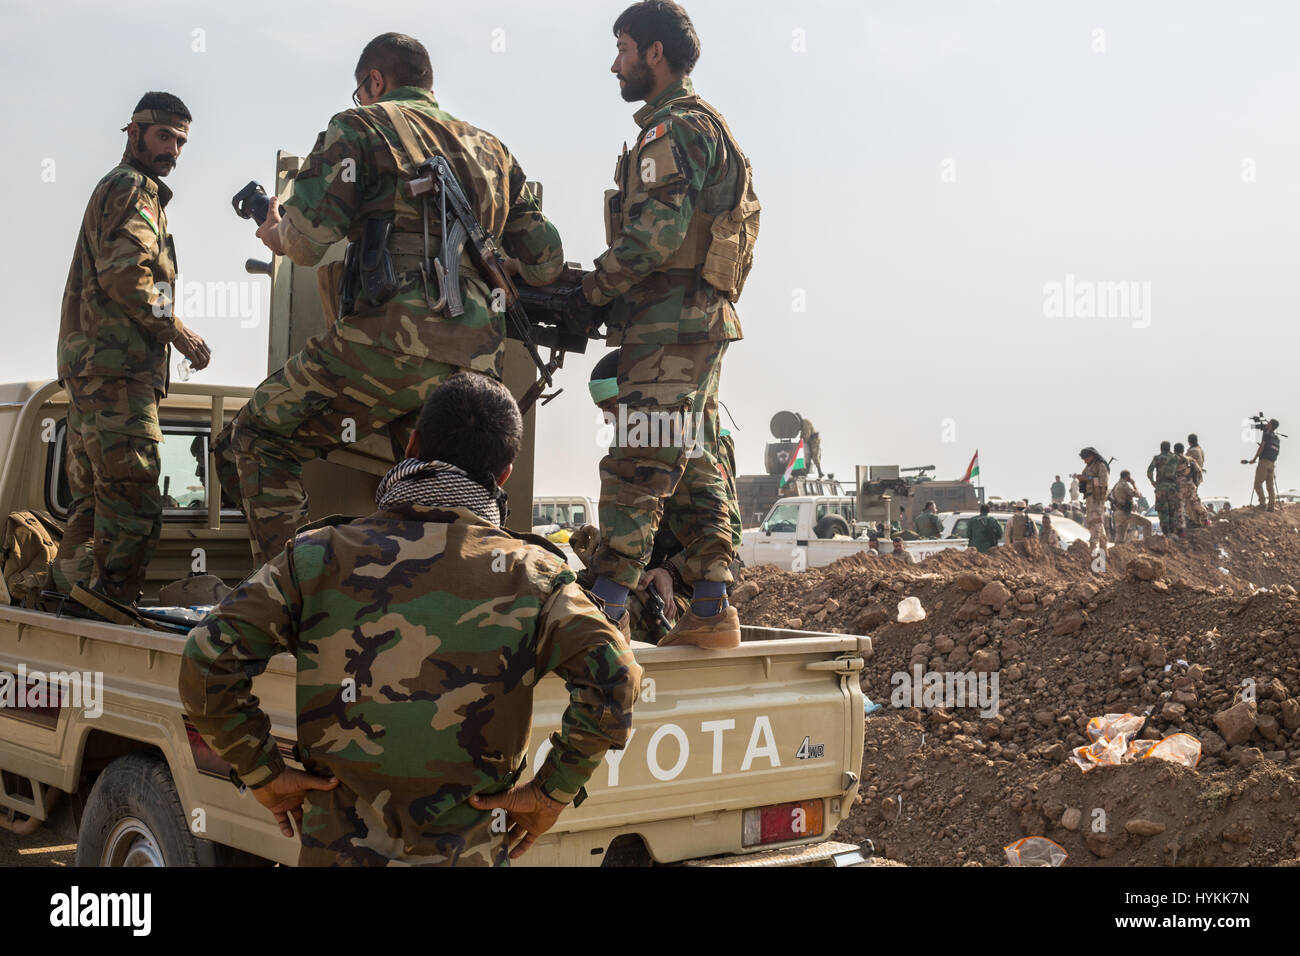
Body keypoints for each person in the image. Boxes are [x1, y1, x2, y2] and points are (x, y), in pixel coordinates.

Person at [179, 373, 641, 866]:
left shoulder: (315, 558)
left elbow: (206, 662)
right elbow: (616, 680)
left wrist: (263, 773)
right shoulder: (536, 576)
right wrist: (551, 794)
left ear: (413, 446)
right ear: (504, 474)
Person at [212, 33, 565, 566]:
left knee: (258, 434)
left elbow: (307, 245)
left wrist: (274, 234)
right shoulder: (492, 149)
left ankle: (291, 596)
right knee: (448, 484)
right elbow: (546, 259)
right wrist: (503, 264)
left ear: (375, 81)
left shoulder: (358, 125)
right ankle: (479, 597)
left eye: (363, 89)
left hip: (385, 344)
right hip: (474, 362)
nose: (361, 99)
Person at [578, 1, 760, 649]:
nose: (615, 63)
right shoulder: (709, 126)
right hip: (700, 323)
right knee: (697, 457)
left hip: (668, 324)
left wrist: (592, 290)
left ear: (655, 53)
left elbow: (657, 233)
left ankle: (604, 614)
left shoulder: (671, 131)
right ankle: (710, 605)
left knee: (637, 460)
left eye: (623, 48)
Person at [50, 92, 212, 609]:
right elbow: (127, 275)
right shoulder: (132, 187)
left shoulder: (127, 190)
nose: (174, 150)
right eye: (164, 136)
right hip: (115, 373)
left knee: (95, 504)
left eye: (182, 141)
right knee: (136, 495)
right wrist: (180, 334)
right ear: (133, 132)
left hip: (95, 371)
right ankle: (111, 608)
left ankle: (70, 599)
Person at [578, 349, 742, 644]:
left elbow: (733, 535)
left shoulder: (703, 444)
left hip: (679, 594)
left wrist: (668, 571)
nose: (606, 420)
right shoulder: (640, 445)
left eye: (609, 407)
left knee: (596, 623)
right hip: (640, 581)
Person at [1146, 440, 1183, 537]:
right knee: (1173, 510)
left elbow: (1149, 471)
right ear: (1169, 448)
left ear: (1161, 448)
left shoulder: (1157, 458)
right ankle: (1173, 533)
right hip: (1172, 488)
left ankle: (1166, 533)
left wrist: (1153, 482)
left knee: (1163, 511)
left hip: (1161, 487)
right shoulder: (1175, 458)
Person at [1075, 447, 1109, 549]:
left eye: (1086, 458)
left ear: (1091, 456)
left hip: (1097, 499)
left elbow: (1103, 482)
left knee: (1096, 522)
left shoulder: (1100, 466)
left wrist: (1088, 478)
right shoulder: (1088, 468)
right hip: (1089, 499)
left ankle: (1094, 546)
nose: (1084, 461)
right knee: (1093, 522)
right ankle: (1104, 548)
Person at [1247, 419, 1281, 512]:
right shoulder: (1276, 439)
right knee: (1270, 487)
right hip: (1272, 464)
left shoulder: (1266, 435)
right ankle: (1271, 507)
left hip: (1264, 463)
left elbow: (1261, 447)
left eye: (1268, 423)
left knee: (1257, 484)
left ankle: (1262, 504)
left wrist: (1254, 459)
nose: (1267, 424)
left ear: (1271, 425)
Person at [1174, 442, 1209, 529]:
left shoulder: (1172, 461)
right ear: (1183, 450)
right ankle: (1205, 519)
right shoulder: (1190, 459)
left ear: (1174, 451)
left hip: (1179, 488)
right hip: (1190, 486)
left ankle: (1181, 529)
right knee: (1196, 503)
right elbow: (1199, 471)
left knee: (1180, 508)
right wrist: (1195, 484)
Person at [1109, 470, 1141, 542]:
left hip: (1117, 512)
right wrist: (1134, 484)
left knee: (1119, 537)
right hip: (1125, 513)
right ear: (1128, 477)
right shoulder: (1125, 484)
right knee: (1147, 524)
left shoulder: (1116, 485)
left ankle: (1116, 552)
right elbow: (1137, 495)